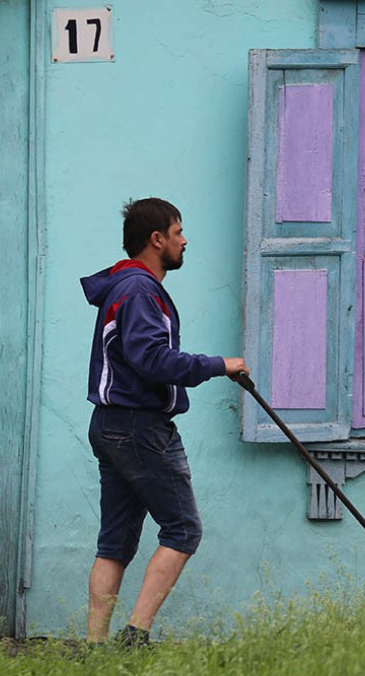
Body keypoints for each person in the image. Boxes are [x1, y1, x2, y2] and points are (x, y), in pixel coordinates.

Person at [79, 198, 248, 647]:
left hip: (111, 424)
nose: (184, 240)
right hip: (139, 427)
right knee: (183, 529)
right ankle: (134, 636)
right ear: (157, 240)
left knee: (115, 542)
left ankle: (95, 648)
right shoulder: (139, 291)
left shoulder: (123, 287)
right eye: (178, 232)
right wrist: (220, 365)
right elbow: (151, 359)